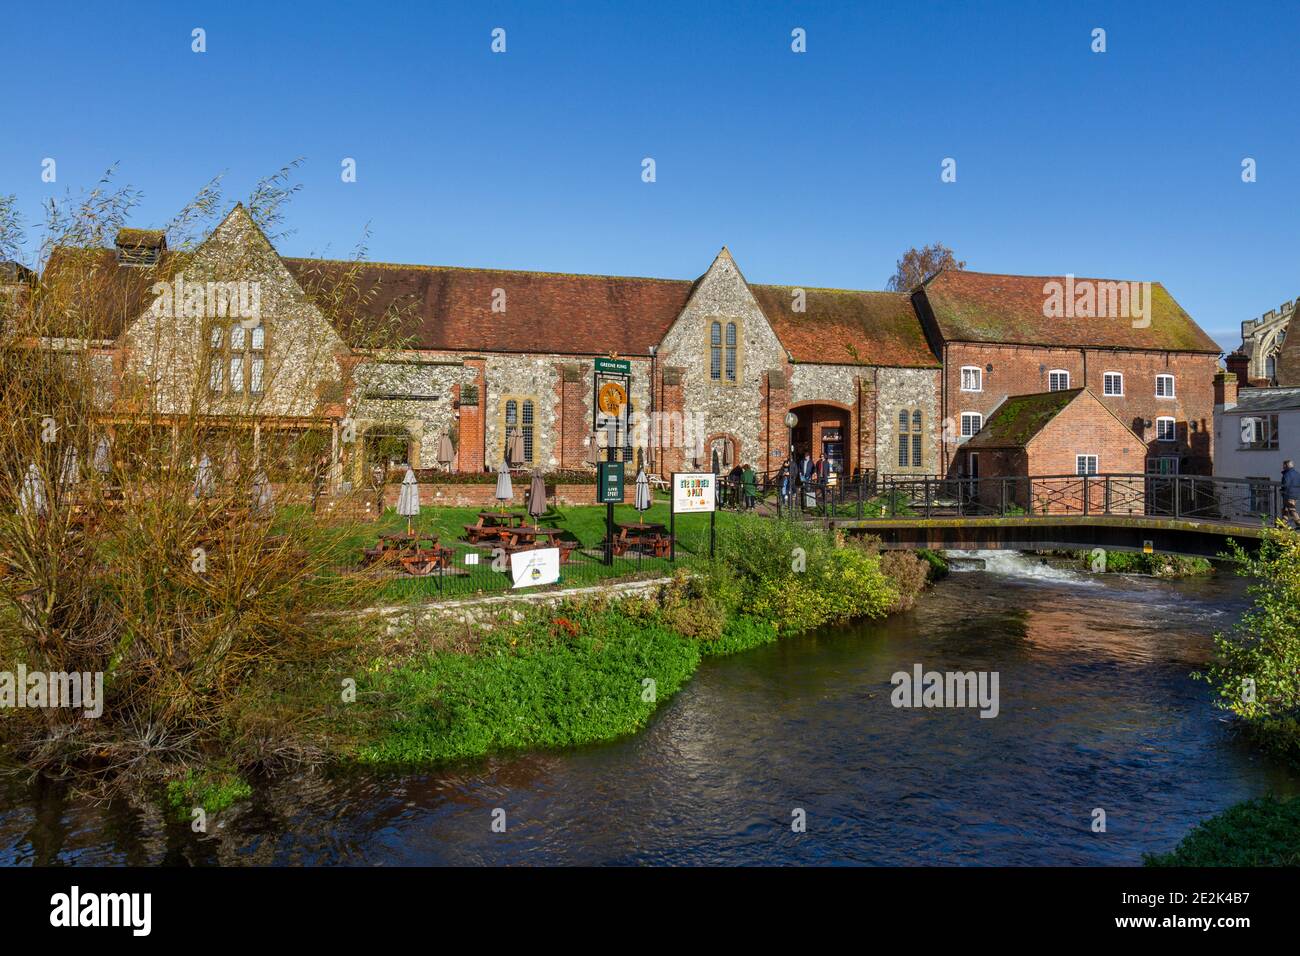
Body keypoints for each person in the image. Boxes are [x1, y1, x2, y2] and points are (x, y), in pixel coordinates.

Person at [1282, 459, 1300, 528]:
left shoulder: (1287, 473)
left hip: (1289, 494)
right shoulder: (1297, 473)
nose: (1283, 467)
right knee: (1285, 509)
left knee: (1291, 509)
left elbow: (1286, 484)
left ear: (1286, 465)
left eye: (1283, 465)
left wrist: (1282, 490)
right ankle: (1283, 524)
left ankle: (1298, 523)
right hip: (1296, 495)